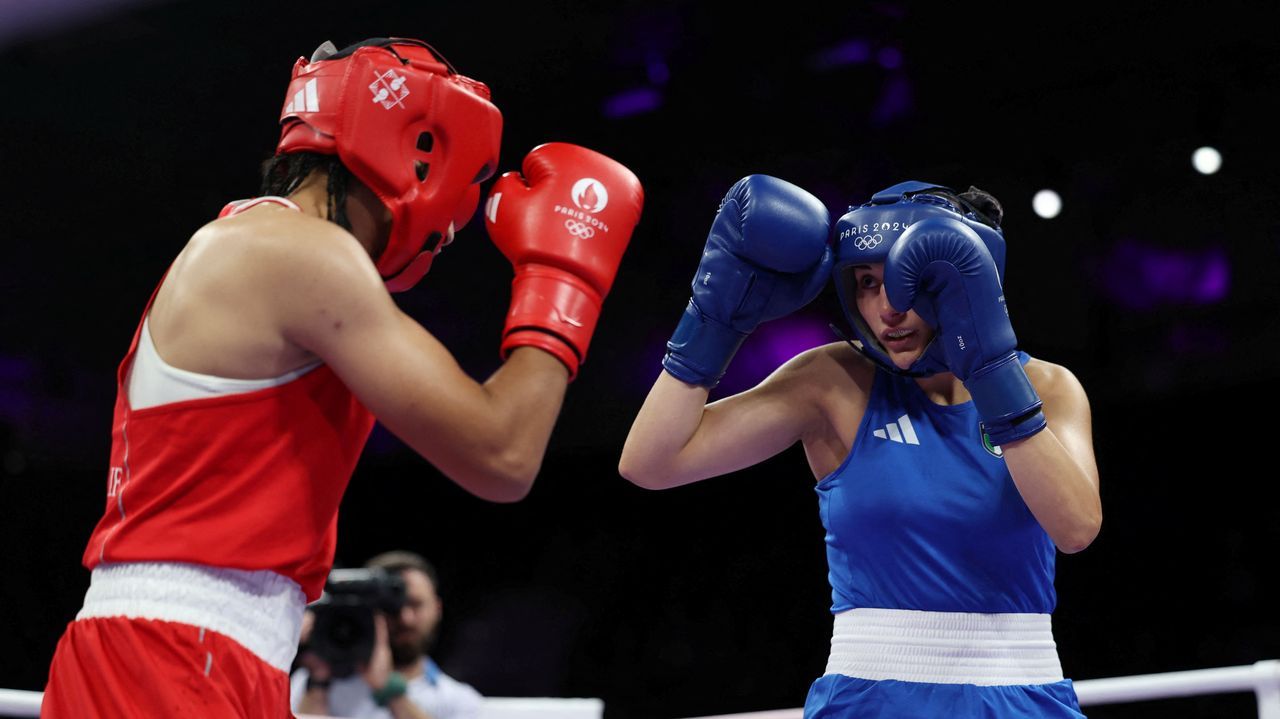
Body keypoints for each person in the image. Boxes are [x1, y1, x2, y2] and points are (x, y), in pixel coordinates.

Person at [42, 37, 643, 718]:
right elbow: (503, 454)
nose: (456, 222)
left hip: (194, 652)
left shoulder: (255, 242)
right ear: (415, 149)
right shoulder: (300, 253)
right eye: (461, 175)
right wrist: (563, 278)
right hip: (177, 655)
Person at [619, 176, 1099, 718]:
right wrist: (713, 322)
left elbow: (1076, 528)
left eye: (911, 279)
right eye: (867, 282)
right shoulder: (834, 382)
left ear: (969, 277)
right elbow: (651, 463)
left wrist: (990, 369)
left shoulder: (1050, 388)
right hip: (870, 696)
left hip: (1023, 693)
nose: (887, 308)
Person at [291, 551, 480, 719]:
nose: (406, 619)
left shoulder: (458, 700)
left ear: (437, 609)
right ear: (367, 611)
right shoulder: (311, 683)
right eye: (392, 609)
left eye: (416, 604)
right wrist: (318, 682)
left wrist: (390, 689)